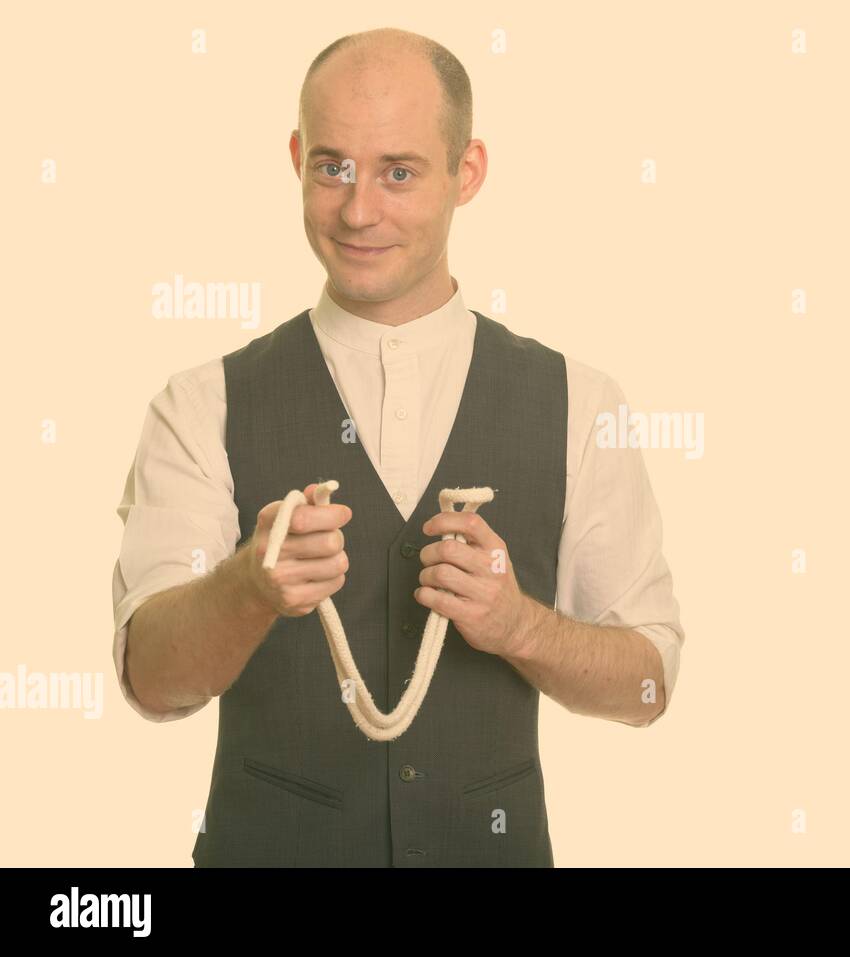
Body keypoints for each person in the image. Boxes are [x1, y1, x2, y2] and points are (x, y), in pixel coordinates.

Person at [110, 27, 684, 867]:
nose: (358, 210)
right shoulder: (199, 405)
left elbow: (648, 684)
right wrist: (247, 586)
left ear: (468, 171)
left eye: (399, 172)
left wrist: (520, 624)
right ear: (297, 159)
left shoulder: (581, 403)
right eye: (332, 167)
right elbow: (153, 680)